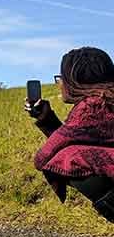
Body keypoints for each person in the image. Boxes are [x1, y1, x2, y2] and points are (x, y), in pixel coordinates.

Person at [26, 46, 114, 222]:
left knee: (70, 158)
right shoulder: (107, 100)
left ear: (75, 81)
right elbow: (78, 136)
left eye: (61, 78)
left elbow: (42, 158)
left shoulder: (92, 107)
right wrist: (47, 119)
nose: (60, 84)